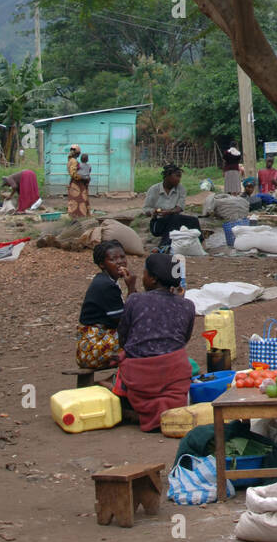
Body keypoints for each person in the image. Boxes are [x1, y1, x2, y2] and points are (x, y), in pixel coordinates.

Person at [113, 254, 195, 431]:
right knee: (182, 361)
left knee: (123, 359)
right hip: (173, 372)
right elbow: (184, 339)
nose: (143, 277)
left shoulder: (135, 300)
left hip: (140, 377)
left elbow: (124, 338)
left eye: (144, 273)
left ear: (152, 278)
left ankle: (136, 409)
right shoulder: (187, 305)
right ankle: (165, 410)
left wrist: (131, 289)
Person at [76, 240, 137, 369]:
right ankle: (119, 383)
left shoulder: (107, 281)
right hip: (93, 347)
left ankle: (121, 382)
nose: (120, 262)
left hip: (95, 343)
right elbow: (124, 321)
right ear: (102, 264)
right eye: (113, 259)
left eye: (122, 257)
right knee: (143, 340)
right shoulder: (106, 285)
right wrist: (131, 287)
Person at [143, 165, 201, 240]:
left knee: (193, 220)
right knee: (173, 219)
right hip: (158, 223)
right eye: (177, 176)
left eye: (180, 177)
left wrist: (168, 212)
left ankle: (200, 242)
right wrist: (153, 212)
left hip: (175, 220)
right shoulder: (154, 189)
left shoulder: (181, 189)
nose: (179, 179)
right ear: (167, 176)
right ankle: (164, 245)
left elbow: (180, 208)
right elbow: (146, 209)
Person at [67, 144, 90, 218]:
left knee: (73, 201)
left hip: (74, 183)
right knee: (81, 200)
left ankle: (73, 215)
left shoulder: (70, 160)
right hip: (78, 184)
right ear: (78, 153)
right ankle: (80, 215)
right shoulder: (74, 162)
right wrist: (82, 178)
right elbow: (73, 174)